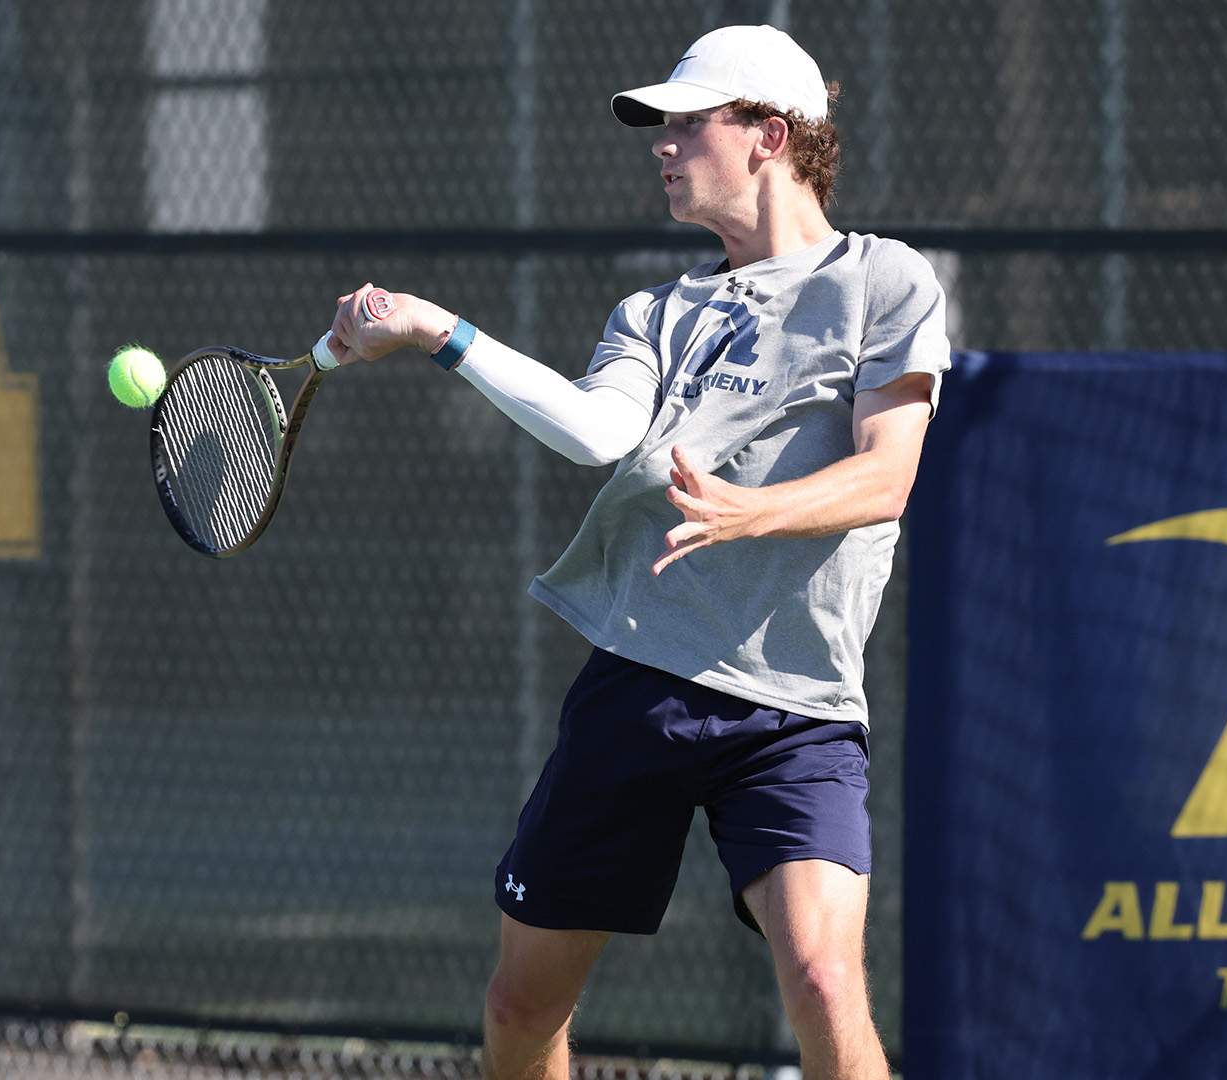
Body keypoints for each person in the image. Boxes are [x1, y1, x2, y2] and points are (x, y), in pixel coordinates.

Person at [326, 24, 948, 1080]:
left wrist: (752, 513)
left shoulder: (884, 282)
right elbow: (595, 433)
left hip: (796, 711)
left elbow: (888, 477)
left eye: (684, 123)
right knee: (523, 1011)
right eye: (656, 128)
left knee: (826, 980)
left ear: (769, 135)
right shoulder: (657, 313)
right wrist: (444, 333)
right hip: (642, 686)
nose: (660, 145)